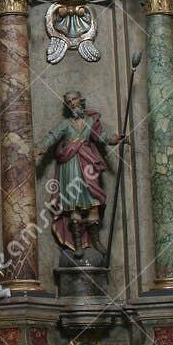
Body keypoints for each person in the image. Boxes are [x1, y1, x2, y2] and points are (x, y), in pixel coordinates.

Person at [38, 91, 121, 255]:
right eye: (68, 101)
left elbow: (100, 137)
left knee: (94, 202)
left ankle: (96, 241)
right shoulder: (65, 124)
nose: (72, 103)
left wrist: (113, 140)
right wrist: (40, 147)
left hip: (88, 163)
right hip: (70, 165)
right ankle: (77, 245)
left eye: (74, 99)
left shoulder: (90, 121)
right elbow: (52, 136)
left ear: (81, 100)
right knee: (73, 206)